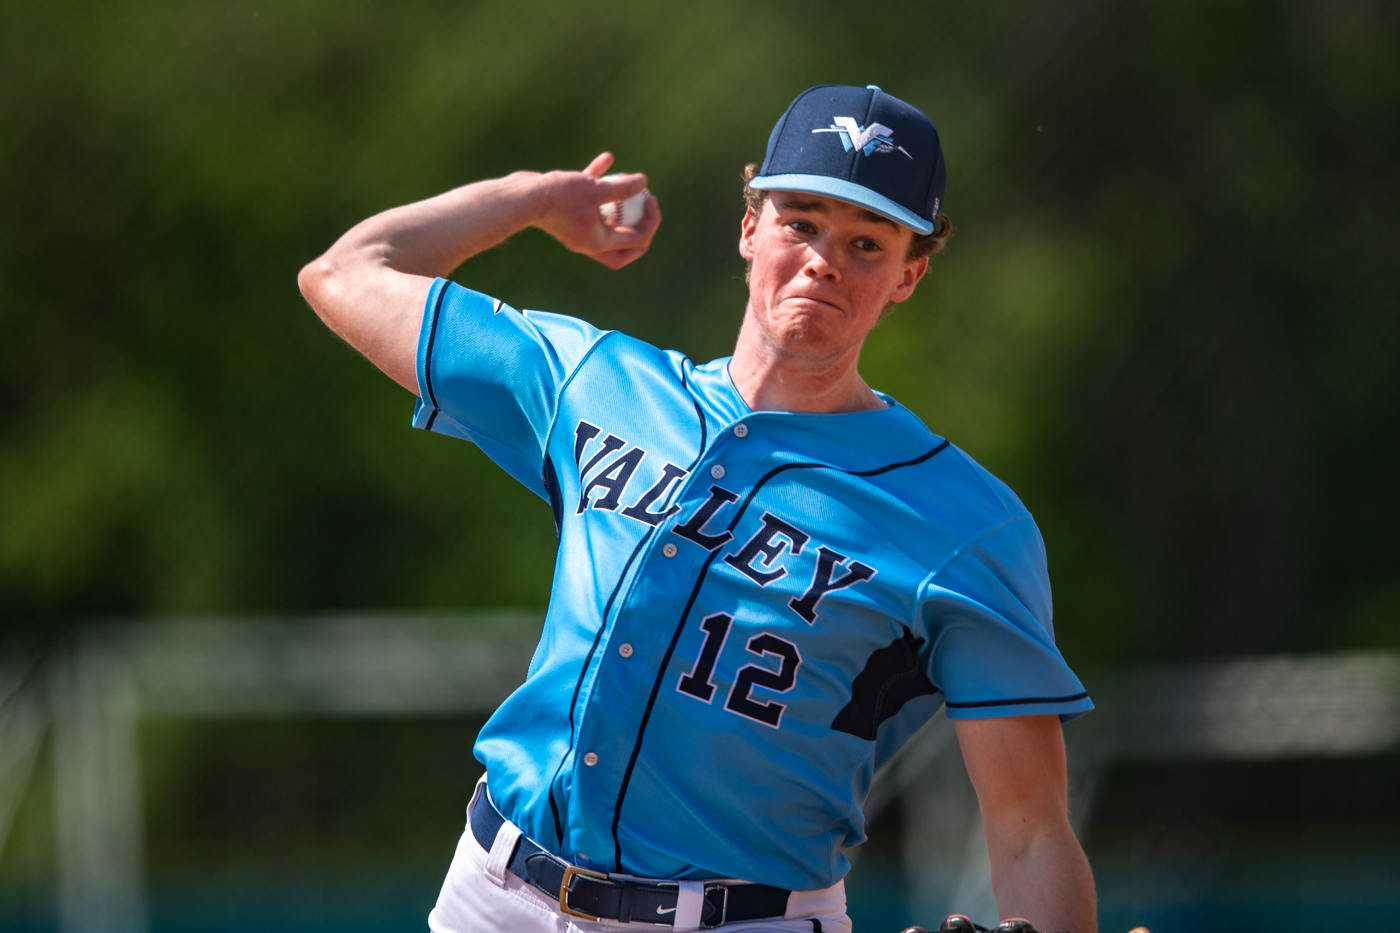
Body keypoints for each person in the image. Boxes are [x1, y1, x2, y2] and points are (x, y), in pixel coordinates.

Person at [298, 84, 1097, 933]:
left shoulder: (964, 525)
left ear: (909, 273)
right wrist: (531, 199)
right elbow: (344, 274)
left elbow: (1029, 828)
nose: (824, 260)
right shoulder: (595, 383)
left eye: (866, 242)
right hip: (495, 896)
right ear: (750, 228)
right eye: (801, 222)